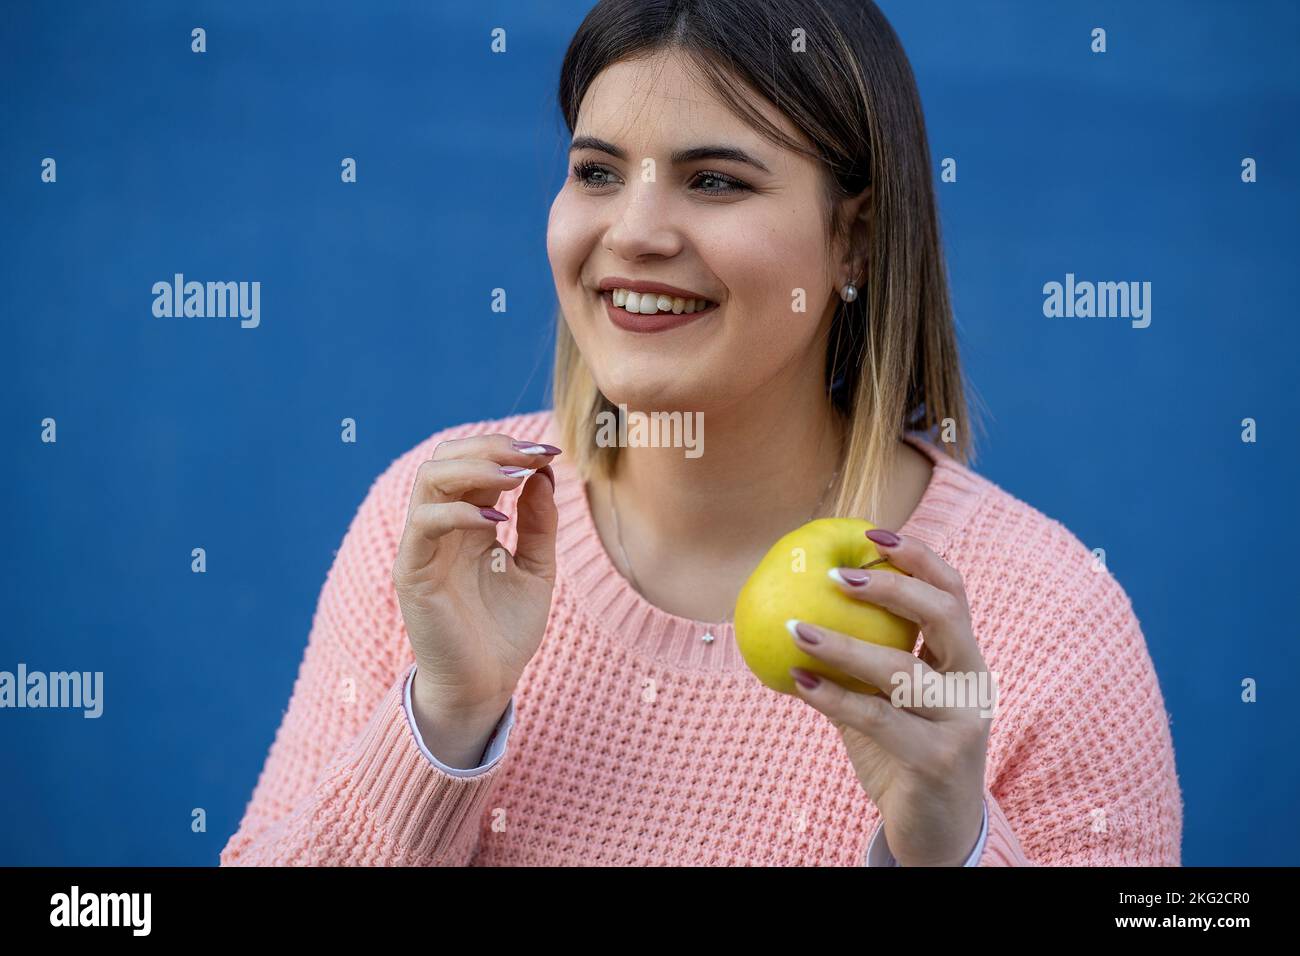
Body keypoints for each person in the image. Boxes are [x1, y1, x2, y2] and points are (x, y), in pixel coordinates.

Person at [220, 0, 1182, 866]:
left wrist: (949, 851)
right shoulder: (445, 526)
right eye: (597, 171)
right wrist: (442, 722)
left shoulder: (1052, 620)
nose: (634, 231)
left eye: (715, 181)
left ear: (854, 238)